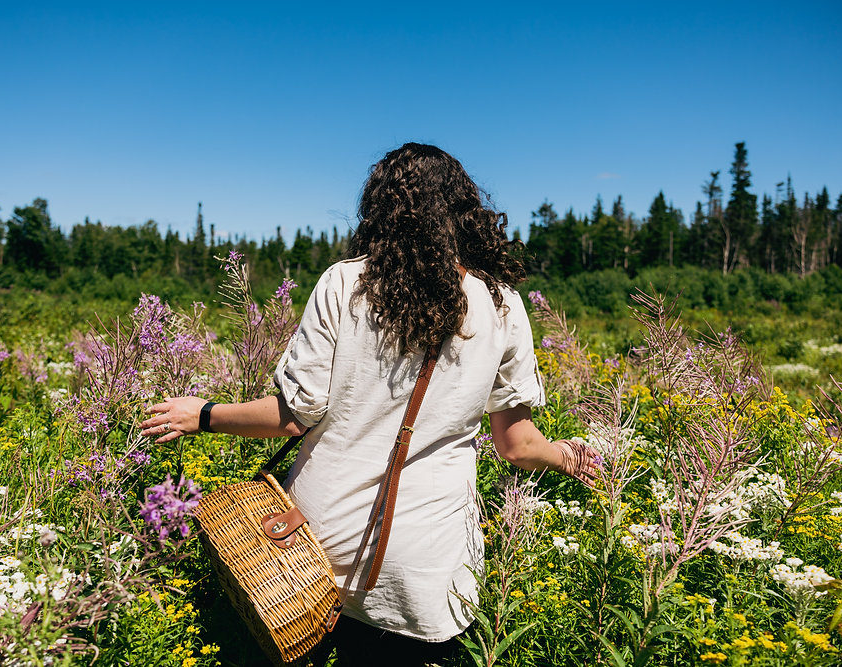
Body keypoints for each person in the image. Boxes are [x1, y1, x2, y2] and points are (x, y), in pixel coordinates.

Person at [140, 143, 597, 665]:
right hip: (426, 566)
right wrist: (570, 455)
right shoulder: (502, 304)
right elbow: (517, 447)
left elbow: (294, 417)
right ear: (463, 211)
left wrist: (203, 415)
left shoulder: (345, 283)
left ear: (378, 208)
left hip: (312, 550)